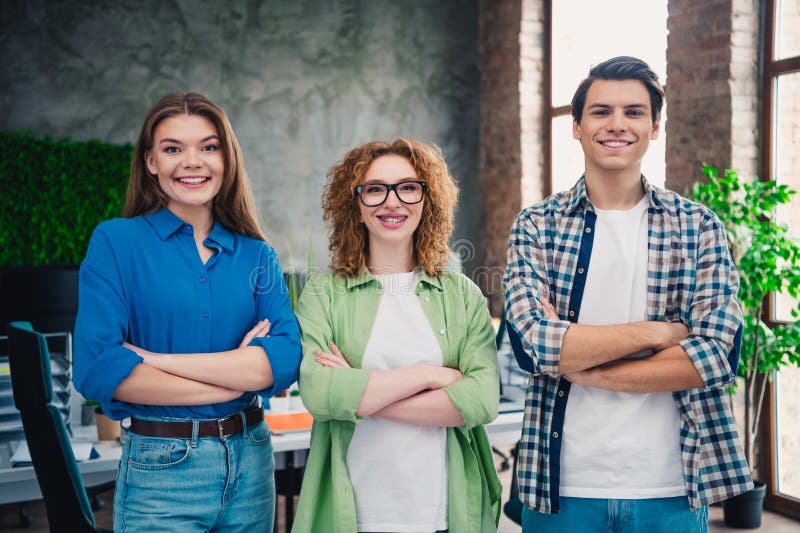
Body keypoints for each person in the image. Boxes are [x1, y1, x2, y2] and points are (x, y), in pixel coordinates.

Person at [503, 56, 753, 533]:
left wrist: (577, 361)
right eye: (600, 112)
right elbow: (533, 344)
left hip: (670, 489)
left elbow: (717, 356)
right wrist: (658, 333)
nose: (617, 124)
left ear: (655, 126)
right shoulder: (536, 225)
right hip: (563, 489)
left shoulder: (698, 227)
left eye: (634, 112)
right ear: (576, 126)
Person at [73, 92, 301, 531]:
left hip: (252, 464)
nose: (192, 161)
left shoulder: (258, 255)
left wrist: (152, 361)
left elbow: (286, 359)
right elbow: (99, 368)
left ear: (226, 159)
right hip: (161, 472)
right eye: (173, 148)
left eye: (208, 147)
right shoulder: (116, 243)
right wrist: (232, 378)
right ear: (150, 162)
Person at [292, 138, 502, 533]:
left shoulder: (462, 296)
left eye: (408, 187)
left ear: (427, 201)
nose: (392, 202)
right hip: (354, 515)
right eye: (374, 189)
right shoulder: (324, 294)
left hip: (443, 515)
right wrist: (430, 376)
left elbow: (481, 401)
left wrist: (357, 394)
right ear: (354, 206)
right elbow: (320, 394)